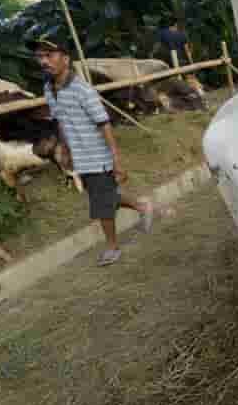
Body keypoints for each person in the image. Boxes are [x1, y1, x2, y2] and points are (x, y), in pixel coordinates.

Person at [29, 34, 154, 267]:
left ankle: (112, 247)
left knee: (100, 203)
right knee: (105, 197)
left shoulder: (81, 89)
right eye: (40, 57)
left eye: (49, 55)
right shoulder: (49, 89)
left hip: (98, 157)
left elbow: (104, 124)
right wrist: (65, 150)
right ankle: (141, 206)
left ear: (65, 59)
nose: (44, 61)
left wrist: (116, 161)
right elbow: (61, 120)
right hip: (79, 156)